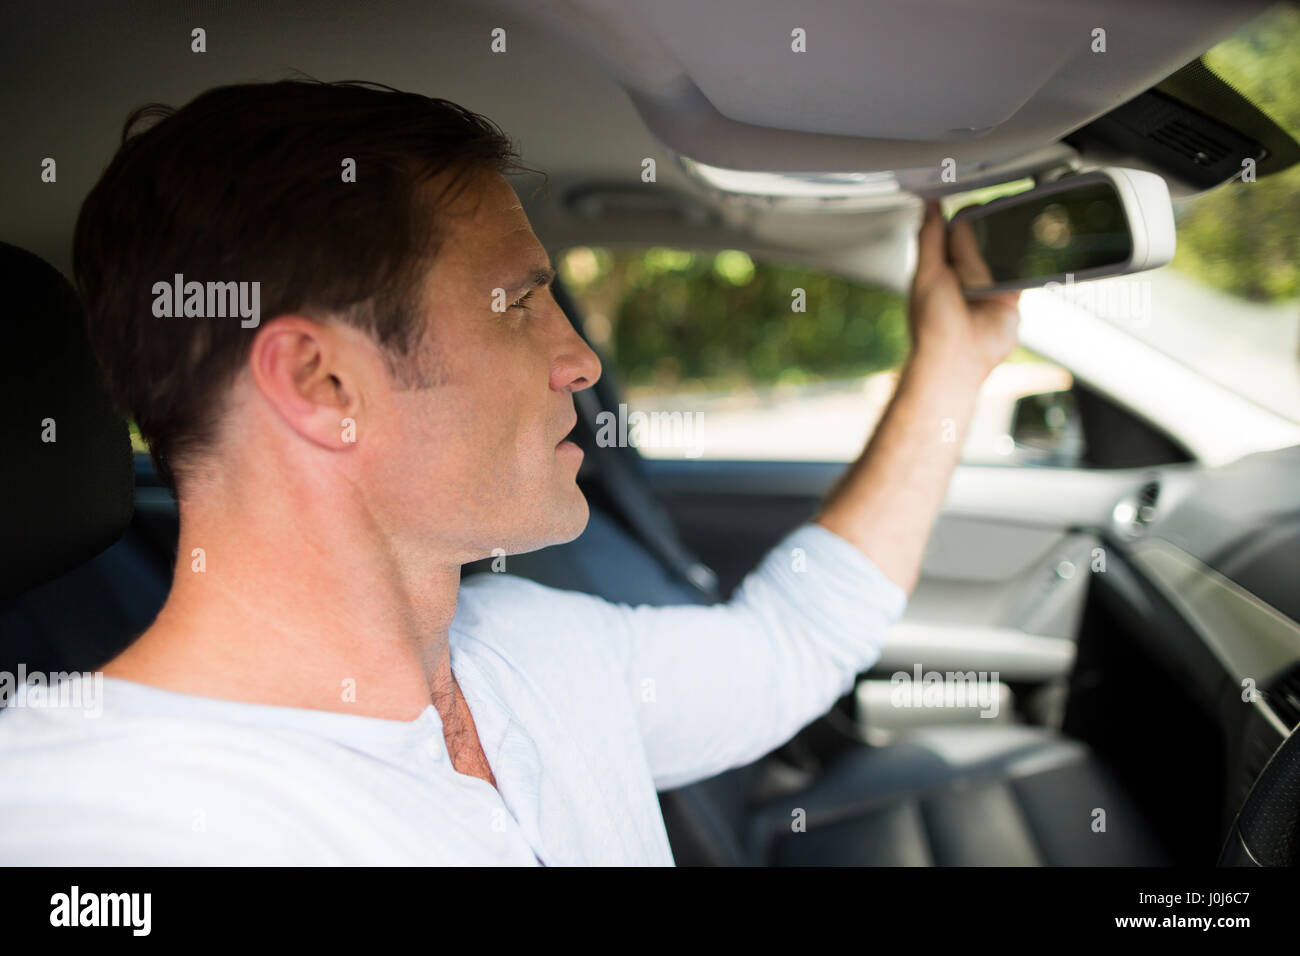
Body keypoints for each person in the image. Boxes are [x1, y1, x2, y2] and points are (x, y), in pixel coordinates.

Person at [0, 80, 1019, 864]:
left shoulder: (533, 648)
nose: (578, 358)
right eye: (519, 302)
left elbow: (794, 640)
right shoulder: (83, 818)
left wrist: (952, 361)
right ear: (321, 382)